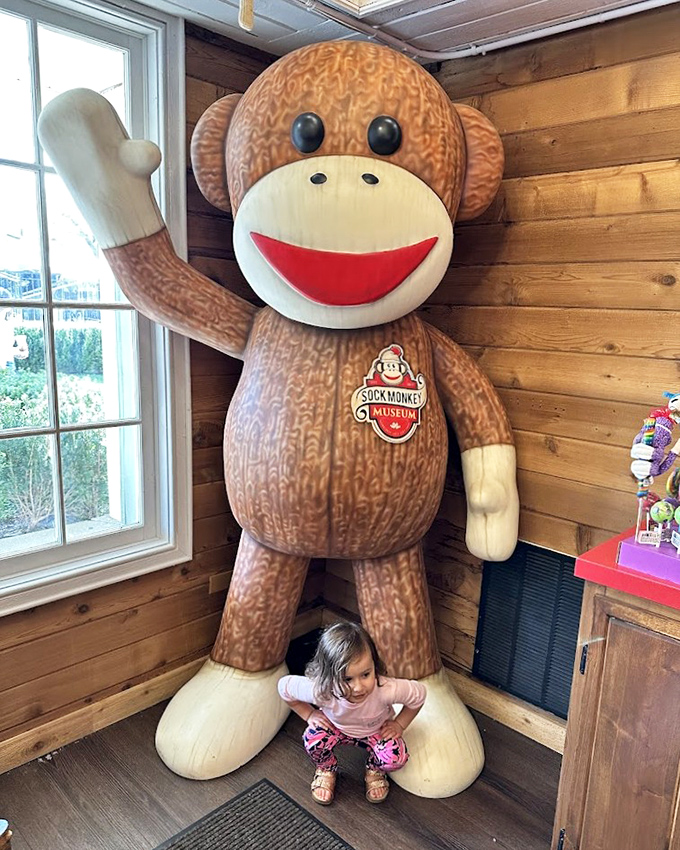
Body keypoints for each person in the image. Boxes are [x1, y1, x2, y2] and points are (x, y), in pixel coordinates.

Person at [278, 622, 426, 805]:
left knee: (396, 758)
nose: (358, 687)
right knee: (312, 740)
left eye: (366, 674)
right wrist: (309, 715)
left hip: (376, 731)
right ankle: (326, 768)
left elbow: (419, 694)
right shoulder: (322, 690)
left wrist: (399, 724)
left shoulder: (385, 688)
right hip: (335, 728)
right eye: (347, 679)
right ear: (328, 676)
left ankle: (374, 769)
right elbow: (284, 687)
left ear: (374, 664)